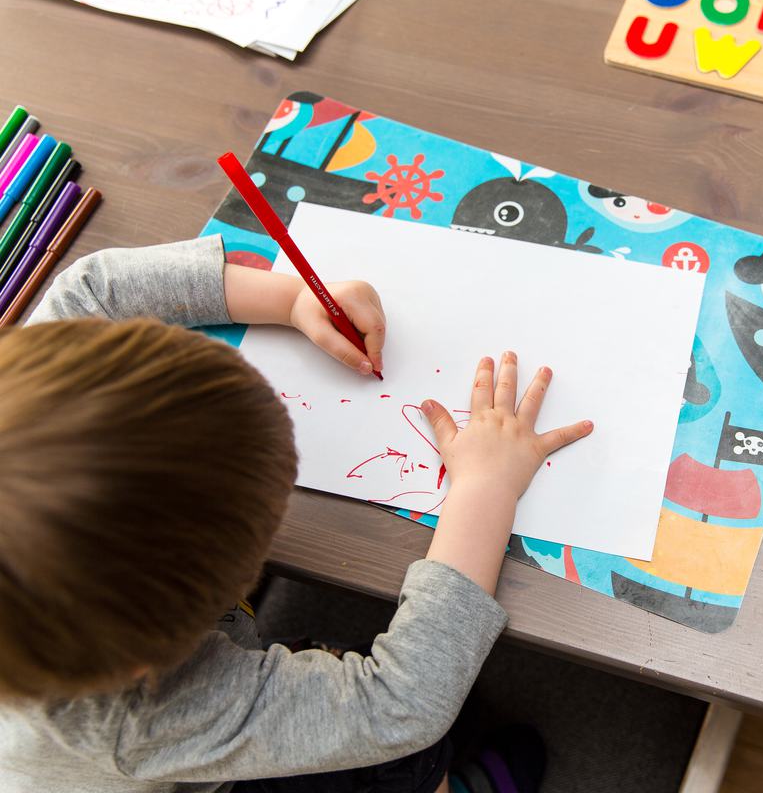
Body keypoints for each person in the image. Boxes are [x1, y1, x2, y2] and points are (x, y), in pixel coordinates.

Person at [0, 235, 592, 793]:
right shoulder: (142, 716)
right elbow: (401, 705)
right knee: (394, 756)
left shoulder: (26, 406)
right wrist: (487, 486)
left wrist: (290, 299)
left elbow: (91, 290)